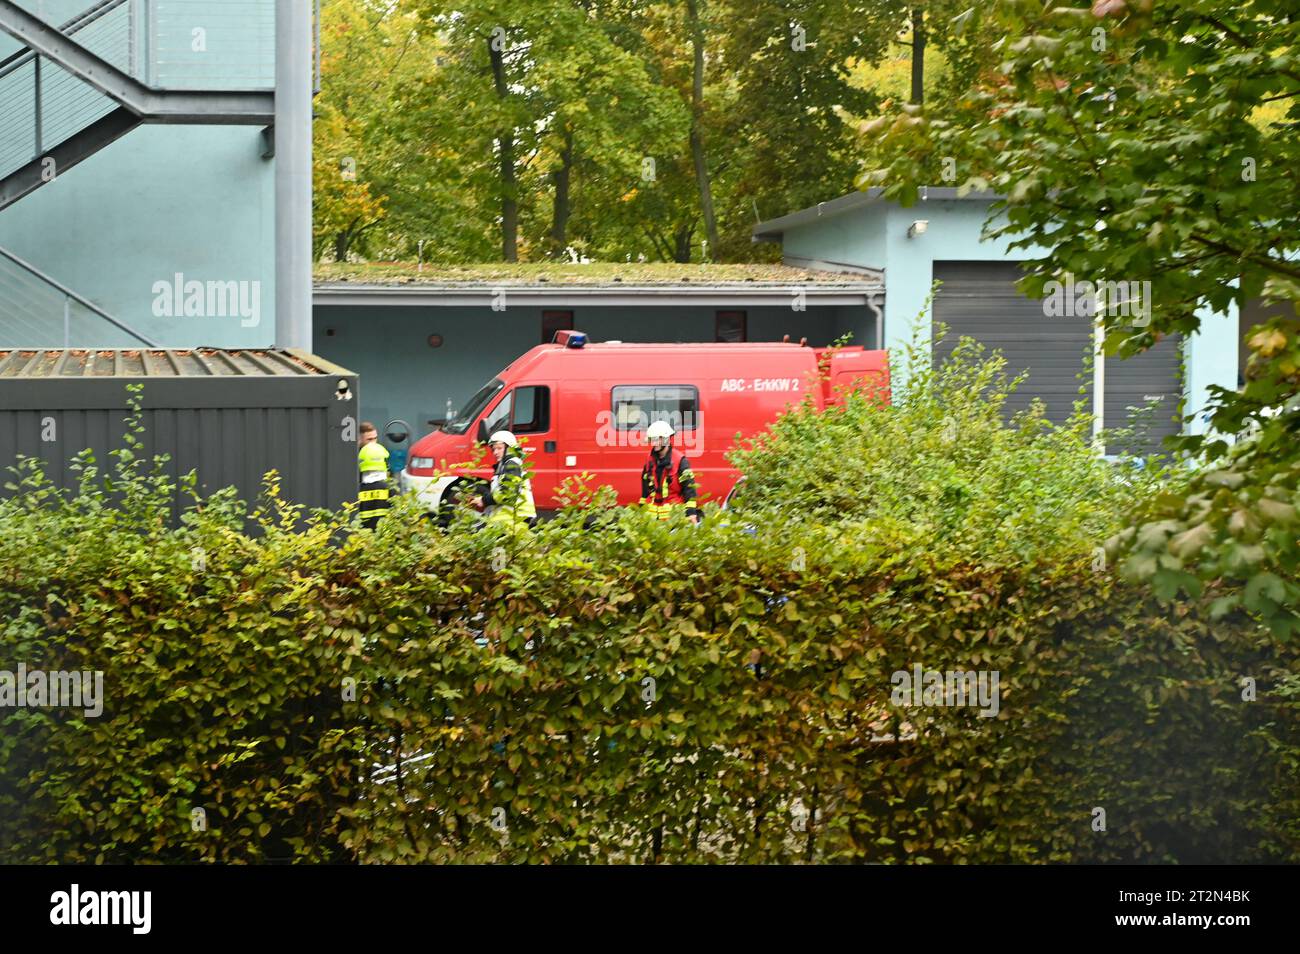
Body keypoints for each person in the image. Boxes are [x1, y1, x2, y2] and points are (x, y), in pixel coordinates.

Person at [470, 430, 537, 532]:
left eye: (499, 448)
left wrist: (484, 500)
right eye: (493, 449)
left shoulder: (511, 464)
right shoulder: (505, 466)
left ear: (509, 448)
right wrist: (482, 498)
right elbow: (500, 491)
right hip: (509, 520)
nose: (495, 452)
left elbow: (507, 493)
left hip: (514, 520)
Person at [640, 420, 701, 524]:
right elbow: (645, 488)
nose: (654, 443)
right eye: (652, 440)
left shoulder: (680, 460)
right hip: (652, 519)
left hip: (674, 518)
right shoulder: (649, 459)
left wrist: (691, 512)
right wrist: (641, 508)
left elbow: (689, 489)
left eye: (657, 439)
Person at [357, 421, 390, 529]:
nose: (373, 443)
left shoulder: (379, 454)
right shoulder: (356, 460)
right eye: (369, 439)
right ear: (359, 440)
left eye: (375, 438)